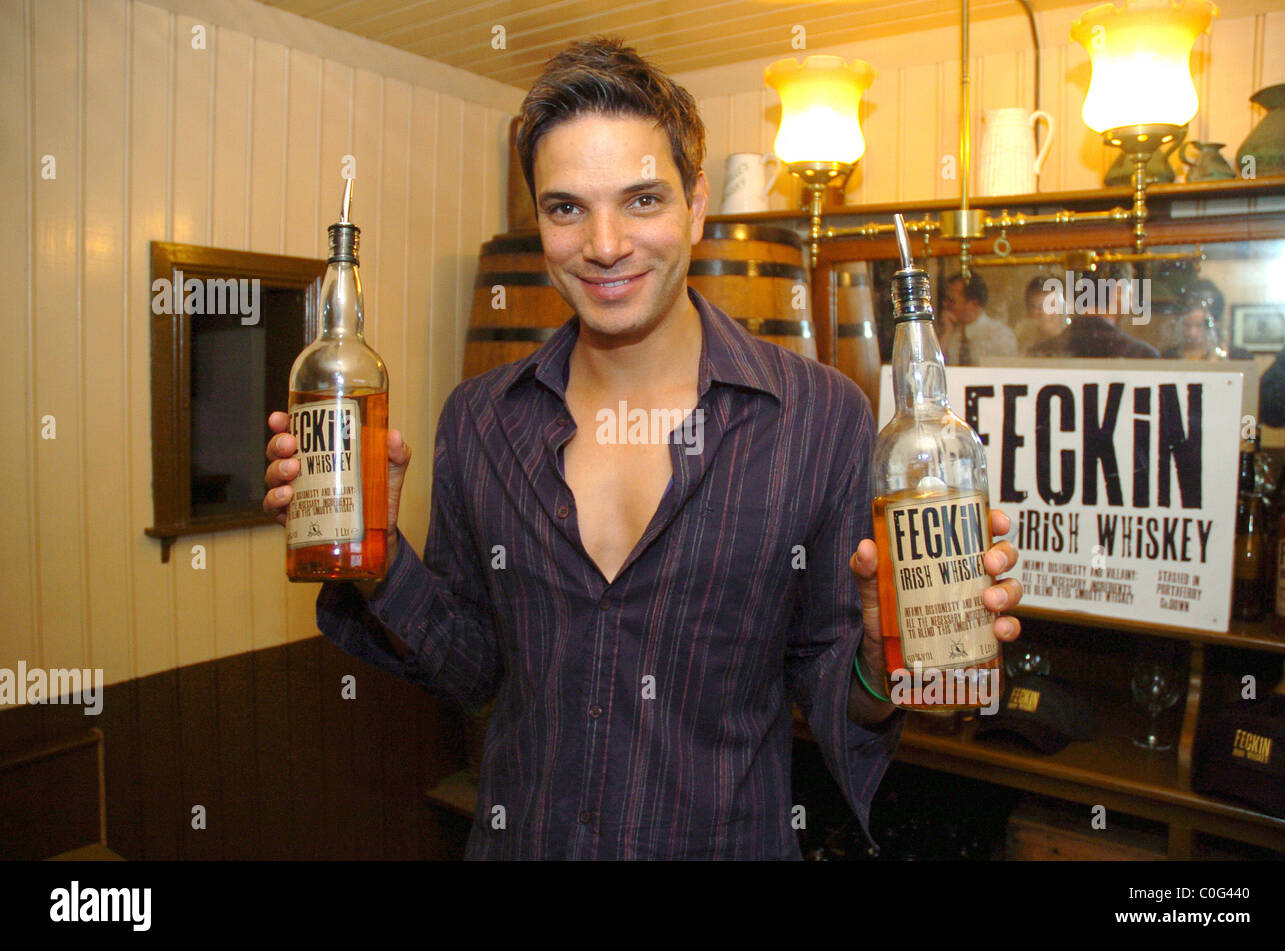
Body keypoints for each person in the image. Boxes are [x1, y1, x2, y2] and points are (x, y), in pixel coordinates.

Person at [262, 37, 1023, 860]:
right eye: (566, 208)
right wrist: (377, 561)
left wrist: (879, 658)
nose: (606, 244)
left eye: (642, 200)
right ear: (539, 221)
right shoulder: (479, 419)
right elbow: (475, 669)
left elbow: (845, 696)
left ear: (696, 204)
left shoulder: (821, 419)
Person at [1028, 264, 1159, 359]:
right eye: (1130, 292)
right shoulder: (1143, 356)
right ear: (1119, 291)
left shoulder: (1039, 354)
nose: (1132, 300)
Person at [938, 270, 1019, 366]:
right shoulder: (948, 333)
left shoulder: (1001, 336)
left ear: (973, 303)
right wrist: (947, 333)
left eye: (951, 300)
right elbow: (934, 368)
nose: (944, 304)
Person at [1162, 278, 1251, 361]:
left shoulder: (1239, 358)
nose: (1192, 333)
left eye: (1200, 325)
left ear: (1216, 323)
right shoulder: (1169, 357)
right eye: (1186, 325)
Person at [1013, 274, 1067, 354]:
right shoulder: (1020, 344)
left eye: (1051, 305)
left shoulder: (1074, 344)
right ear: (1028, 311)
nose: (1044, 313)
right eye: (1036, 306)